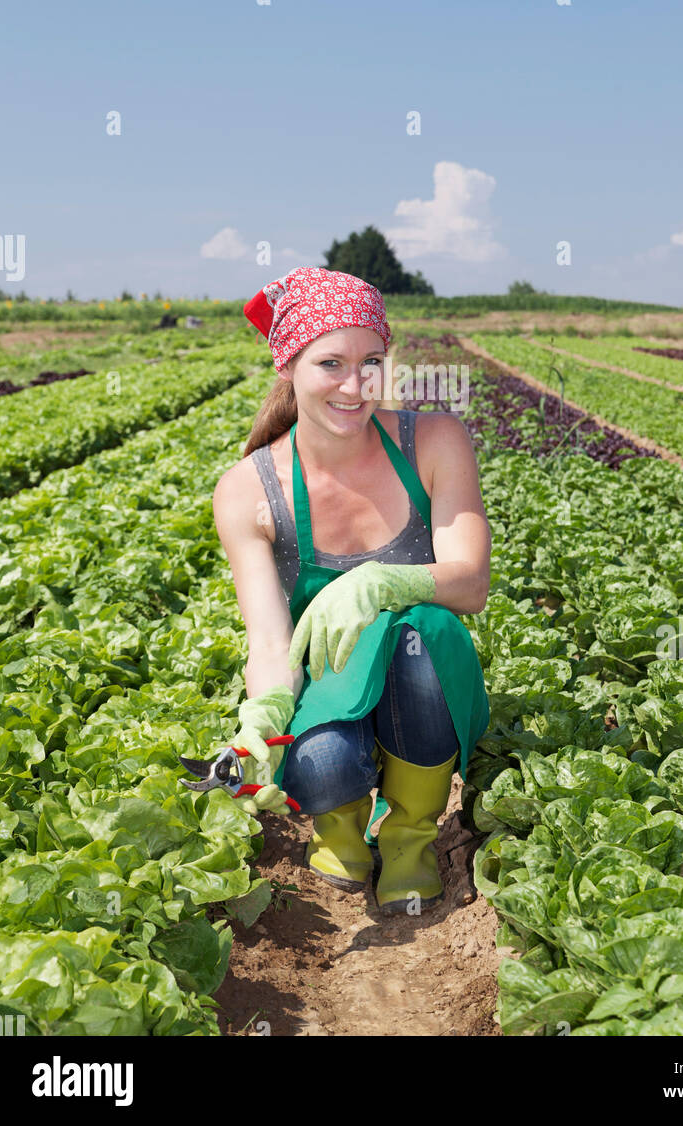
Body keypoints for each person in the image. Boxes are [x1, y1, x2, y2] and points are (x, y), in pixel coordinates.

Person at [211, 265, 492, 915]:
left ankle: (409, 842)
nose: (354, 384)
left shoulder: (434, 441)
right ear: (290, 367)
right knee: (322, 761)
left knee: (427, 631)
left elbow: (471, 583)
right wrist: (262, 722)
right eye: (330, 362)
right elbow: (270, 639)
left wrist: (382, 580)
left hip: (417, 672)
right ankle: (341, 833)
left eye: (372, 362)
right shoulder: (250, 490)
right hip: (327, 676)